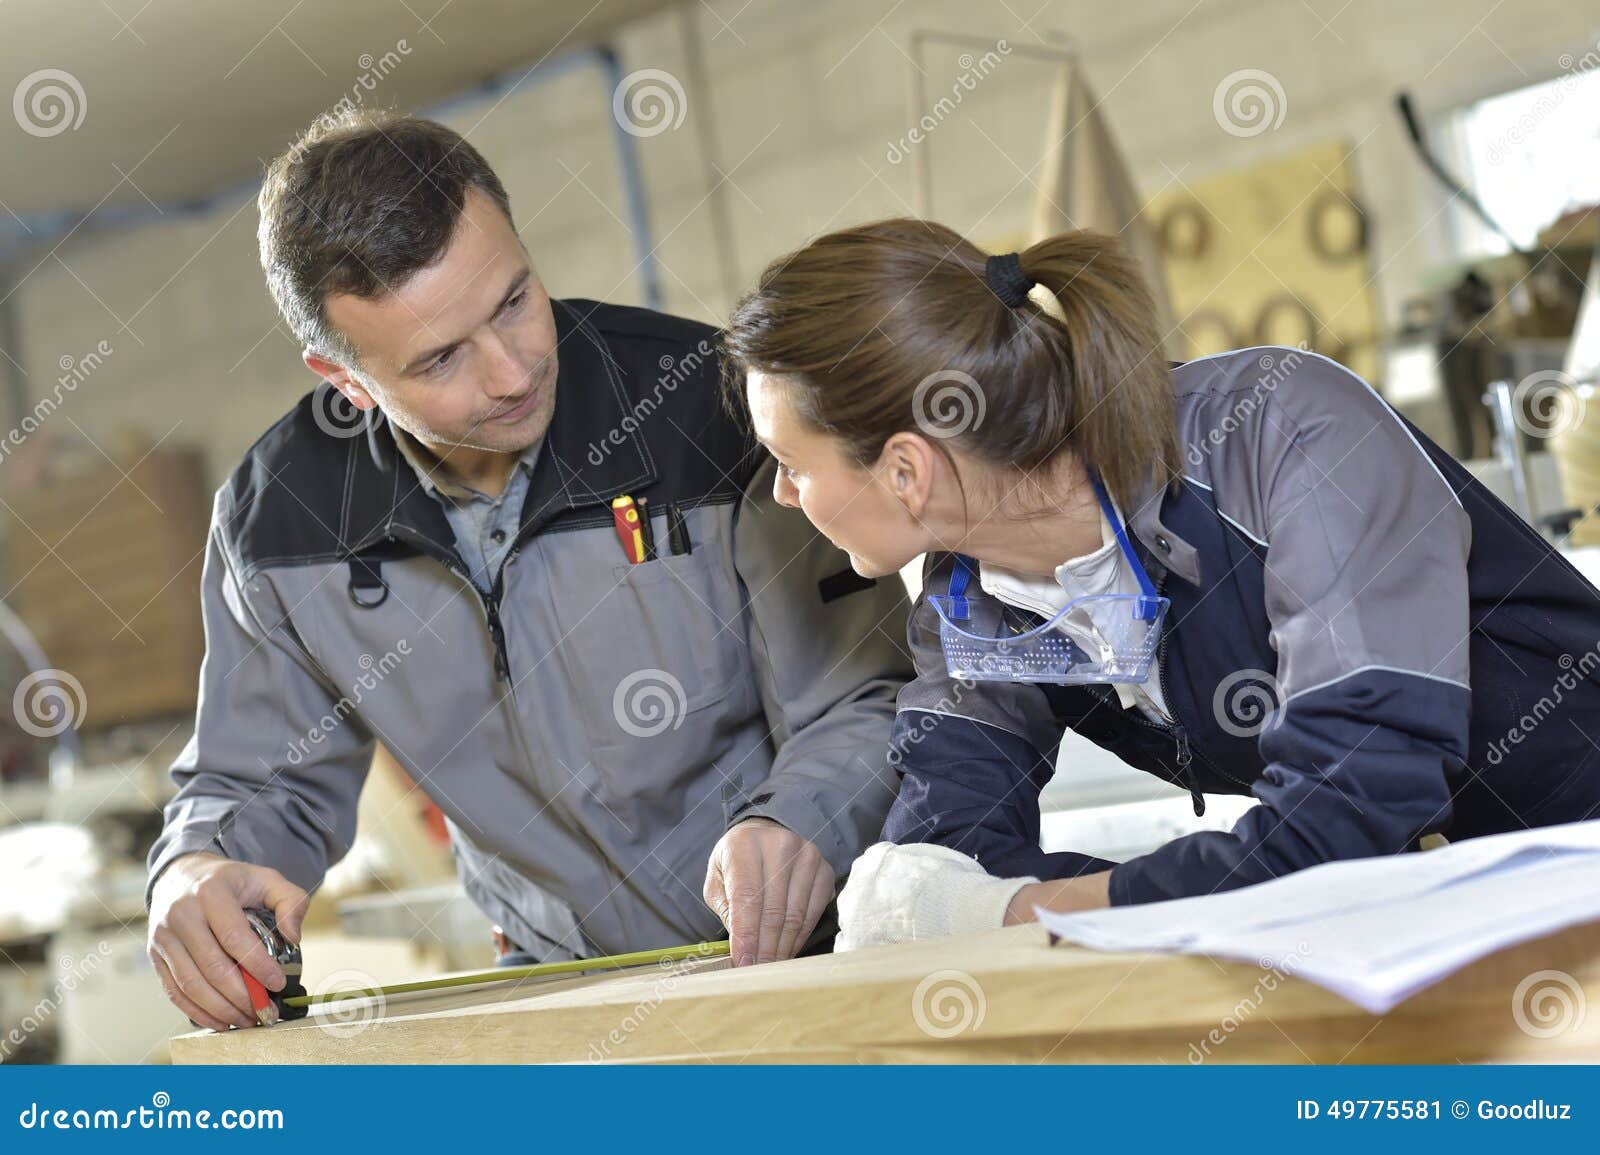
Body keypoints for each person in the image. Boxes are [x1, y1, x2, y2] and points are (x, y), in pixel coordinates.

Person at [143, 112, 912, 1033]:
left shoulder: (707, 409)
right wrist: (193, 871)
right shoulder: (278, 522)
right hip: (557, 1003)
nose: (513, 372)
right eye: (441, 358)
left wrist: (800, 821)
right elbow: (259, 788)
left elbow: (866, 695)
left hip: (818, 966)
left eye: (513, 300)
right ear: (346, 379)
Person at [719, 217, 1600, 946]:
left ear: (906, 470)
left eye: (791, 463)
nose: (784, 495)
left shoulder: (1289, 433)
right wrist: (1005, 904)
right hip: (1427, 919)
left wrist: (1024, 911)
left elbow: (1346, 814)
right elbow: (946, 861)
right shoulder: (971, 600)